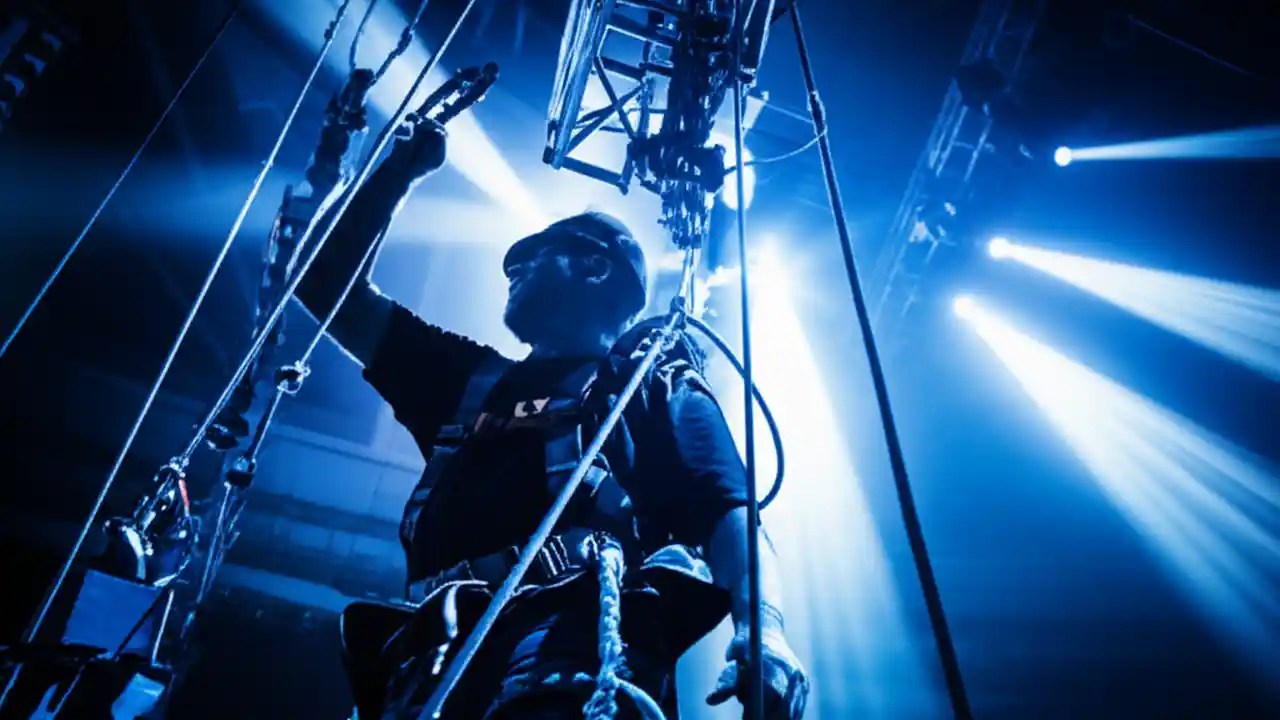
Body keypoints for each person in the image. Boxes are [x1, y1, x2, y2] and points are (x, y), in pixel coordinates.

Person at [296, 117, 809, 720]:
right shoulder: (469, 381)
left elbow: (732, 513)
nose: (513, 270)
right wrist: (393, 175)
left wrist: (764, 631)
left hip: (570, 645)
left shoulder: (648, 388)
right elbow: (325, 282)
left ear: (594, 268)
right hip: (434, 653)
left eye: (536, 256)